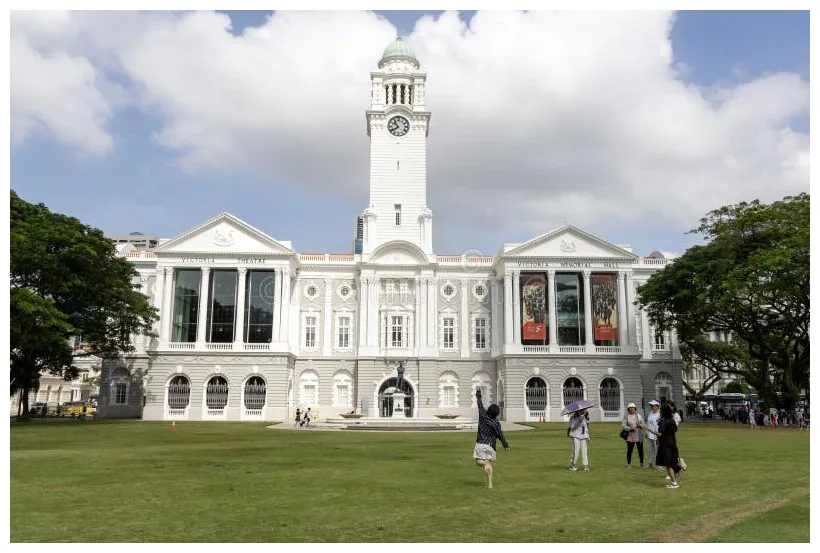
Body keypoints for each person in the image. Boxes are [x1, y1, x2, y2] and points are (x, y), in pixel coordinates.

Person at [473, 388, 509, 489]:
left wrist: (479, 393)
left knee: (479, 462)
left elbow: (479, 404)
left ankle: (485, 465)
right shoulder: (496, 423)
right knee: (489, 464)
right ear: (496, 414)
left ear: (488, 410)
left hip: (481, 443)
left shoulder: (483, 415)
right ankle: (489, 484)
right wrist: (505, 445)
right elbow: (500, 434)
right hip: (491, 446)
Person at [643, 404, 682, 489]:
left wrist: (648, 428)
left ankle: (674, 483)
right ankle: (674, 479)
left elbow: (660, 434)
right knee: (671, 462)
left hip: (666, 444)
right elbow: (674, 433)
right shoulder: (672, 421)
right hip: (672, 443)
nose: (660, 412)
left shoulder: (665, 422)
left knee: (668, 464)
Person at [622, 402, 645, 469]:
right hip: (630, 436)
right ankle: (629, 464)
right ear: (628, 409)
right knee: (629, 450)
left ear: (635, 409)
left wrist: (639, 425)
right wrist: (630, 428)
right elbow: (623, 426)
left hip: (638, 435)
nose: (632, 409)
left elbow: (642, 423)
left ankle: (641, 464)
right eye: (630, 408)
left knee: (640, 450)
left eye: (633, 408)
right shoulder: (626, 416)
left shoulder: (638, 415)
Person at [644, 400, 662, 470]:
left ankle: (659, 465)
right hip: (650, 435)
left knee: (658, 450)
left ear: (657, 406)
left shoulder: (660, 414)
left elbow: (660, 426)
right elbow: (648, 424)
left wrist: (658, 435)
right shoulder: (650, 413)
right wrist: (646, 432)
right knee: (650, 450)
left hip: (657, 435)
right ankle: (650, 463)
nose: (651, 407)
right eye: (651, 405)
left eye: (653, 405)